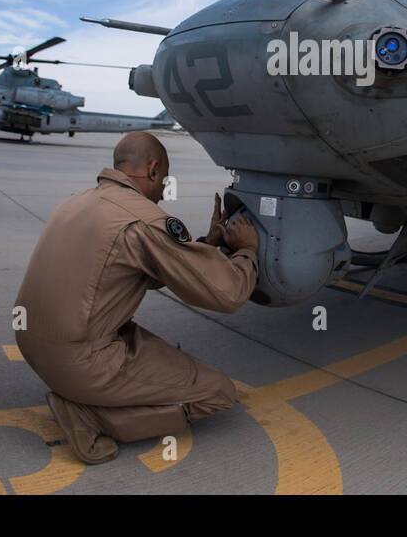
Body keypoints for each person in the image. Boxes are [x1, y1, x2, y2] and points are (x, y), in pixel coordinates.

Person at [13, 131, 260, 463]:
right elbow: (227, 295)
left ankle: (82, 394)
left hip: (34, 345)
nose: (162, 193)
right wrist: (247, 251)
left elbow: (139, 270)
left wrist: (207, 243)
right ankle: (87, 415)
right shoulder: (144, 219)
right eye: (164, 181)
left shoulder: (77, 201)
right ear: (153, 169)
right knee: (218, 393)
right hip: (82, 361)